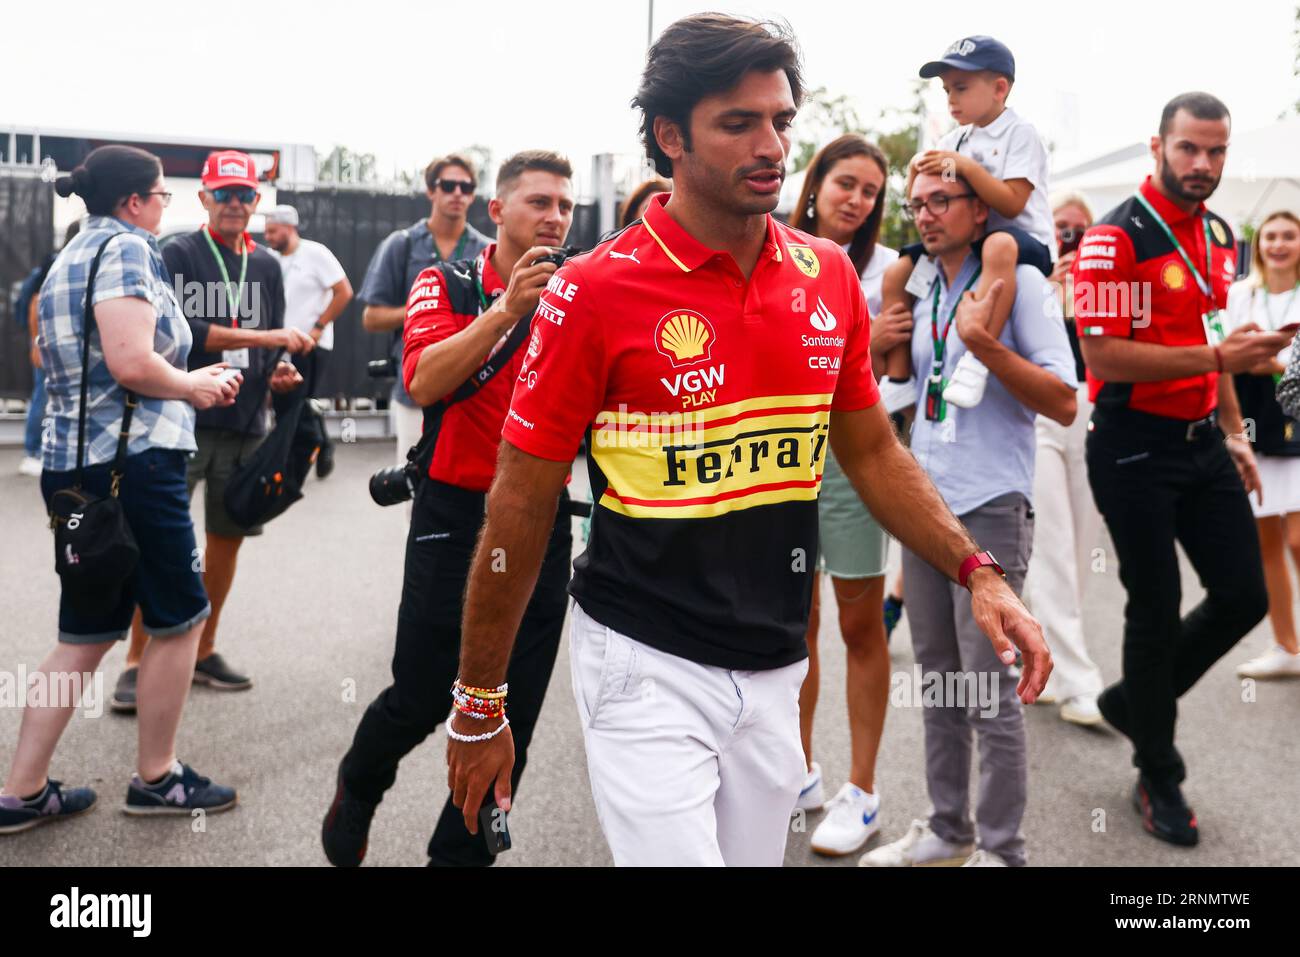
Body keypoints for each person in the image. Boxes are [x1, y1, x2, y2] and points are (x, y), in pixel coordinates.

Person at [443, 13, 1051, 868]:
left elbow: (873, 452)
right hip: (641, 657)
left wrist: (978, 572)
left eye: (780, 121)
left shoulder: (829, 275)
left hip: (773, 667)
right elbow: (522, 495)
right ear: (670, 136)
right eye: (739, 123)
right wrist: (480, 700)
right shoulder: (591, 291)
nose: (770, 144)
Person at [321, 151, 576, 867]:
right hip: (454, 513)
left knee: (511, 713)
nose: (554, 216)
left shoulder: (581, 291)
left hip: (542, 520)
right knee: (426, 694)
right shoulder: (447, 282)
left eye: (564, 204)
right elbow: (425, 380)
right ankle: (360, 780)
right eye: (538, 202)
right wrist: (506, 310)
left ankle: (455, 857)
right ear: (497, 211)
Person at [1, 145, 240, 834]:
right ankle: (158, 778)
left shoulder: (69, 257)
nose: (168, 205)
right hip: (136, 463)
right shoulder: (132, 250)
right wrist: (195, 383)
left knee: (84, 631)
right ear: (135, 201)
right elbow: (132, 360)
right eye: (163, 194)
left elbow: (69, 359)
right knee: (180, 620)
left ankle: (21, 791)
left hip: (74, 470)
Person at [1074, 92, 1286, 847]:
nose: (1204, 165)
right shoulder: (1115, 237)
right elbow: (1102, 355)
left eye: (1217, 151)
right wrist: (1219, 358)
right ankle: (1157, 768)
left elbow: (1214, 331)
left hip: (1203, 442)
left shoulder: (1222, 234)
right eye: (1190, 148)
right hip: (1132, 444)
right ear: (1157, 145)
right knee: (1154, 605)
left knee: (1243, 595)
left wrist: (1235, 431)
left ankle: (1136, 699)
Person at [860, 170, 1076, 868]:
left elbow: (1065, 400)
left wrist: (985, 345)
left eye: (941, 201)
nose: (925, 215)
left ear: (981, 210)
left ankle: (1003, 850)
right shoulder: (923, 284)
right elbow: (911, 387)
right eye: (916, 203)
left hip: (991, 506)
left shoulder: (1025, 286)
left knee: (990, 689)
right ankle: (948, 827)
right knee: (940, 679)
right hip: (929, 504)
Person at [111, 150, 309, 711]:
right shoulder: (177, 252)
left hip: (245, 422)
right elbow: (175, 334)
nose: (235, 204)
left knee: (226, 543)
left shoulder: (267, 264)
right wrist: (267, 341)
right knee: (161, 545)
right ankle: (135, 659)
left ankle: (202, 649)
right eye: (224, 194)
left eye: (245, 195)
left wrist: (279, 373)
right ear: (203, 198)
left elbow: (267, 339)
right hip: (181, 419)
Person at [785, 134, 902, 855]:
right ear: (816, 184)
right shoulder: (773, 252)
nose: (857, 200)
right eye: (845, 185)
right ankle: (798, 772)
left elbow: (894, 367)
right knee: (792, 629)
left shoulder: (892, 269)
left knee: (862, 628)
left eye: (869, 192)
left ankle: (863, 789)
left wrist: (872, 330)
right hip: (779, 460)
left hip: (854, 465)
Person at [878, 35, 1055, 414]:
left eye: (960, 88)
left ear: (999, 88)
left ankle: (976, 359)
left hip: (1024, 242)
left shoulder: (1019, 134)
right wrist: (916, 169)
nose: (951, 99)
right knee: (899, 272)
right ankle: (897, 379)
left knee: (998, 245)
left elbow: (1012, 201)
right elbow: (925, 185)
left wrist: (968, 168)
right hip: (973, 242)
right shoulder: (954, 139)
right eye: (946, 90)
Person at [1020, 192, 1107, 725]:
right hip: (1040, 414)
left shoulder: (1102, 285)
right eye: (1062, 227)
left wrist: (1084, 292)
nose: (1071, 236)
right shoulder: (1031, 278)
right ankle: (1079, 679)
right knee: (1051, 541)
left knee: (1081, 545)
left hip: (1091, 413)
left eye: (1080, 228)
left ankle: (1040, 652)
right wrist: (1051, 288)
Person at [357, 155, 492, 467]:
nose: (457, 193)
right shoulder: (402, 244)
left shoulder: (486, 249)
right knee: (417, 491)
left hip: (477, 390)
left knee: (475, 487)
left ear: (473, 194)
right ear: (431, 190)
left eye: (466, 186)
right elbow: (371, 317)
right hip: (415, 389)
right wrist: (428, 308)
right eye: (448, 185)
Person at [1232, 211, 1300, 678]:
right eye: (1270, 236)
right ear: (1259, 246)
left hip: (1295, 421)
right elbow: (1223, 347)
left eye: (1289, 236)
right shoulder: (1241, 293)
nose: (1278, 244)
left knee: (1298, 537)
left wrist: (1275, 364)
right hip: (1252, 420)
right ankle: (1286, 647)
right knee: (1265, 539)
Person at [263, 204, 354, 479]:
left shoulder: (315, 254)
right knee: (289, 403)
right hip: (280, 342)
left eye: (272, 231)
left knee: (298, 402)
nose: (267, 237)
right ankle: (318, 446)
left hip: (310, 344)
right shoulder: (271, 259)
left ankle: (307, 454)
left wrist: (318, 328)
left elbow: (344, 291)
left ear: (289, 228)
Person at [15, 223, 81, 477]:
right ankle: (32, 452)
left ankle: (43, 451)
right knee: (42, 398)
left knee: (50, 399)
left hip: (58, 344)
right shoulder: (59, 262)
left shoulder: (65, 261)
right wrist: (38, 342)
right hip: (49, 345)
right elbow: (36, 302)